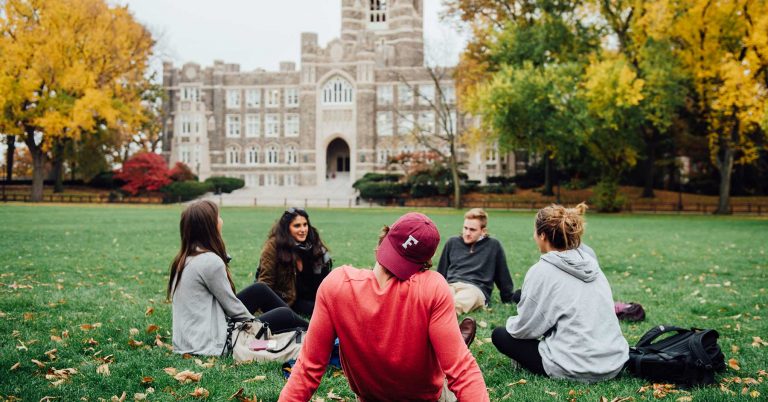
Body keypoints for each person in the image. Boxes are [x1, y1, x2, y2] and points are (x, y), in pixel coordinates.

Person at [279, 212, 490, 402]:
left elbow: (308, 368)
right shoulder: (432, 286)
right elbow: (462, 370)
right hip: (426, 396)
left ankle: (447, 341)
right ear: (426, 261)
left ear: (386, 237)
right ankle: (451, 340)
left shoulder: (337, 284)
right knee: (450, 367)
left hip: (372, 396)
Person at [491, 203, 628, 383]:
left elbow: (524, 330)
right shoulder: (590, 262)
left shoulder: (541, 271)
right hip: (614, 362)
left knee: (501, 335)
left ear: (542, 235)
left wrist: (512, 323)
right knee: (521, 297)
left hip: (574, 366)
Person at [168, 200, 308, 356]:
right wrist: (254, 327)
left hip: (190, 338)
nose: (221, 220)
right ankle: (318, 335)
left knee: (259, 290)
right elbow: (232, 307)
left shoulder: (187, 257)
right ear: (209, 226)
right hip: (210, 341)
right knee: (284, 315)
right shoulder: (210, 262)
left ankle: (312, 332)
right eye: (218, 217)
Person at [239, 207, 332, 317]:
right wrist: (263, 307)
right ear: (287, 228)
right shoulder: (274, 246)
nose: (303, 229)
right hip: (285, 300)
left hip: (307, 298)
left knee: (329, 310)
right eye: (297, 226)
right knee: (292, 316)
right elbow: (265, 283)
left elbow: (325, 280)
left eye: (305, 224)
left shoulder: (314, 244)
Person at [437, 208, 515, 315]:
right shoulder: (452, 242)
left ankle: (442, 316)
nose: (467, 233)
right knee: (441, 298)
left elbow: (503, 276)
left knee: (461, 300)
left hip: (475, 289)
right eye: (465, 228)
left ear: (483, 231)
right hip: (451, 285)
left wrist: (508, 298)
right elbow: (441, 272)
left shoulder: (493, 245)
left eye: (472, 230)